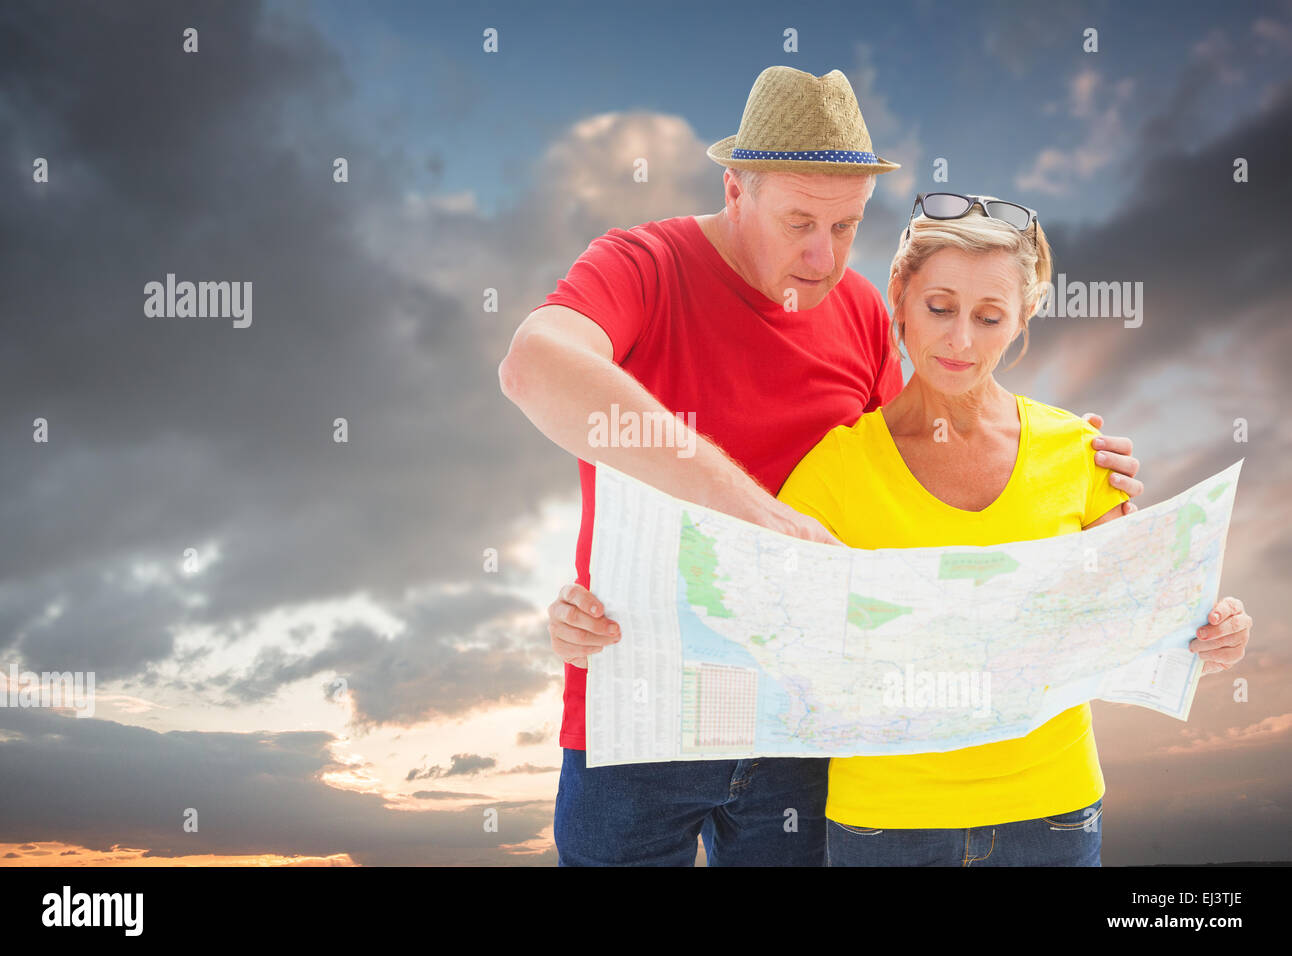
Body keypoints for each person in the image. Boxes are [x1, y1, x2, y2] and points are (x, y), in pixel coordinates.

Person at [500, 66, 1144, 866]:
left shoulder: (864, 311)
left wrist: (1070, 464)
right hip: (638, 712)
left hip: (800, 731)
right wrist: (755, 513)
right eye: (800, 220)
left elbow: (909, 469)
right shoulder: (643, 265)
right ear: (736, 188)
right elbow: (534, 365)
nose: (822, 257)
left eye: (846, 228)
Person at [774, 192, 1253, 866]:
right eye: (939, 307)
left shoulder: (1080, 452)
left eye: (990, 316)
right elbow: (766, 640)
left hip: (1052, 818)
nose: (960, 340)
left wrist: (1213, 629)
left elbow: (1144, 624)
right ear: (900, 295)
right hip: (886, 825)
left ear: (1025, 317)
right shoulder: (833, 473)